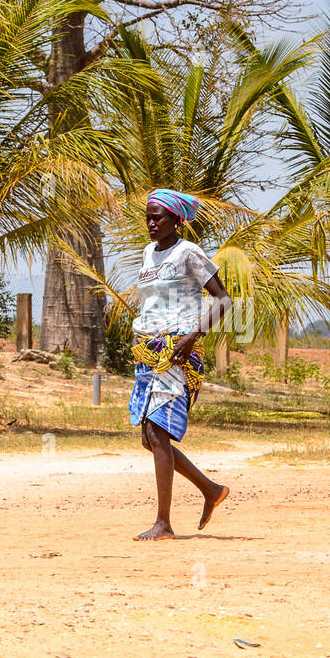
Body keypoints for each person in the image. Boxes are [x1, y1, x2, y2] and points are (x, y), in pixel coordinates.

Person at [129, 189, 232, 541]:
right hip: (150, 352)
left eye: (158, 217)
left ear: (176, 219)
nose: (151, 223)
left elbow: (223, 299)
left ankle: (163, 524)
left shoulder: (188, 252)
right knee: (148, 437)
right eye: (148, 216)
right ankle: (210, 489)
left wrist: (191, 336)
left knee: (158, 433)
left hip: (179, 352)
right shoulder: (148, 253)